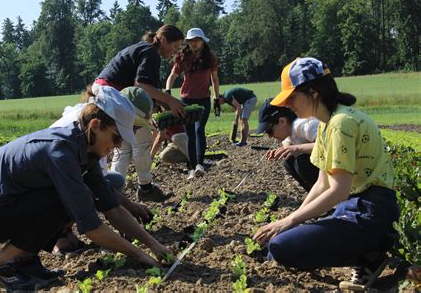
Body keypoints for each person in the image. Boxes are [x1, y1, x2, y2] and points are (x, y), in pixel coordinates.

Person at [0, 87, 172, 291]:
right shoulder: (61, 152)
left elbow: (112, 208)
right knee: (66, 200)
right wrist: (139, 254)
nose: (118, 146)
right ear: (95, 125)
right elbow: (92, 228)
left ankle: (24, 260)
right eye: (116, 138)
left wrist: (153, 244)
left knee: (68, 197)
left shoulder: (85, 150)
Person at [253, 57, 399, 291]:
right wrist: (290, 220)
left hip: (372, 212)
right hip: (356, 208)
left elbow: (339, 190)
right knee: (277, 245)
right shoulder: (326, 124)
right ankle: (368, 255)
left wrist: (289, 221)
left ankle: (370, 255)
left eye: (292, 97)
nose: (288, 105)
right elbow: (322, 183)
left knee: (282, 247)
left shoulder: (342, 123)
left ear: (313, 92)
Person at [49, 85, 156, 257]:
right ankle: (60, 235)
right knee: (82, 189)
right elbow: (95, 188)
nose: (133, 132)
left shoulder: (95, 126)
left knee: (115, 181)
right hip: (50, 183)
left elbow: (101, 183)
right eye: (134, 126)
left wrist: (128, 208)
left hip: (64, 176)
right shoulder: (87, 132)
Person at [95, 24, 185, 202]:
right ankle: (144, 188)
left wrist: (159, 104)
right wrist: (170, 101)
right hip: (113, 95)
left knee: (122, 147)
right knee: (141, 141)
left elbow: (143, 90)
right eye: (174, 46)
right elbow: (142, 86)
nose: (175, 52)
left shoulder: (143, 48)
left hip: (103, 94)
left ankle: (114, 192)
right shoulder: (151, 53)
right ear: (163, 40)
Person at [165, 28, 220, 180]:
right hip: (186, 100)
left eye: (196, 40)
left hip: (203, 99)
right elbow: (172, 76)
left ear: (203, 41)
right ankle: (191, 166)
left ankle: (200, 165)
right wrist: (168, 92)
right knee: (189, 133)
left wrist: (216, 98)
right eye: (190, 41)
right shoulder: (182, 58)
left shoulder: (210, 58)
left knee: (199, 130)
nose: (193, 43)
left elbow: (214, 79)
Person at [257, 97, 320, 192]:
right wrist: (285, 150)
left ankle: (334, 199)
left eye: (270, 131)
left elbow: (328, 145)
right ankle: (318, 198)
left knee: (302, 162)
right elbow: (287, 142)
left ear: (282, 121)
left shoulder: (307, 125)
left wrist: (297, 148)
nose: (270, 136)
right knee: (288, 161)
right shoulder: (289, 131)